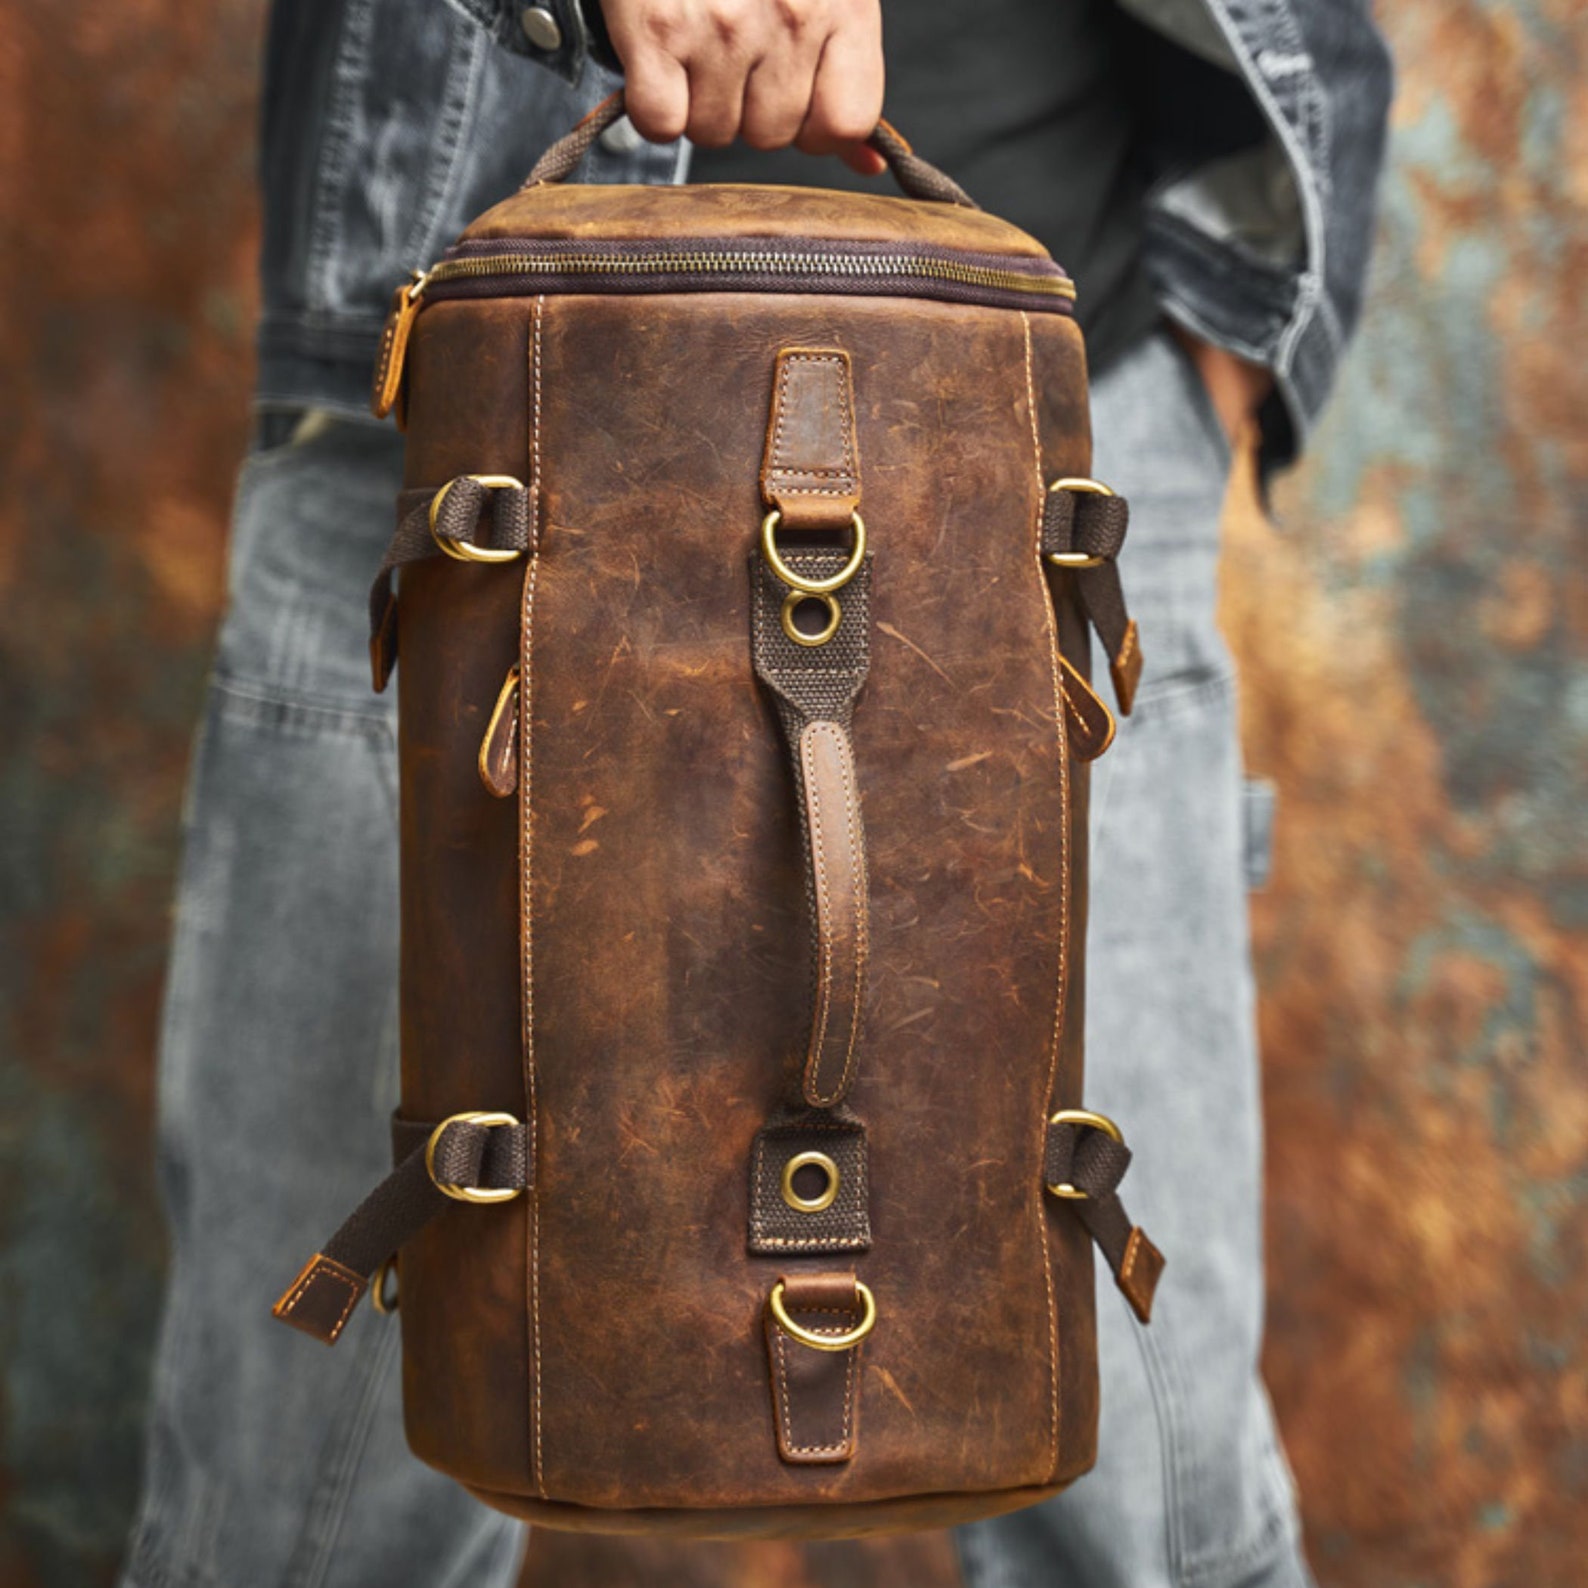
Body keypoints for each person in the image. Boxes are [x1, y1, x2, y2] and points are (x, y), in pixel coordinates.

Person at [119, 2, 1392, 1585]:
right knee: (296, 1534)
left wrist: (1213, 369)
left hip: (1056, 418)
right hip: (457, 420)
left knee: (1164, 1530)